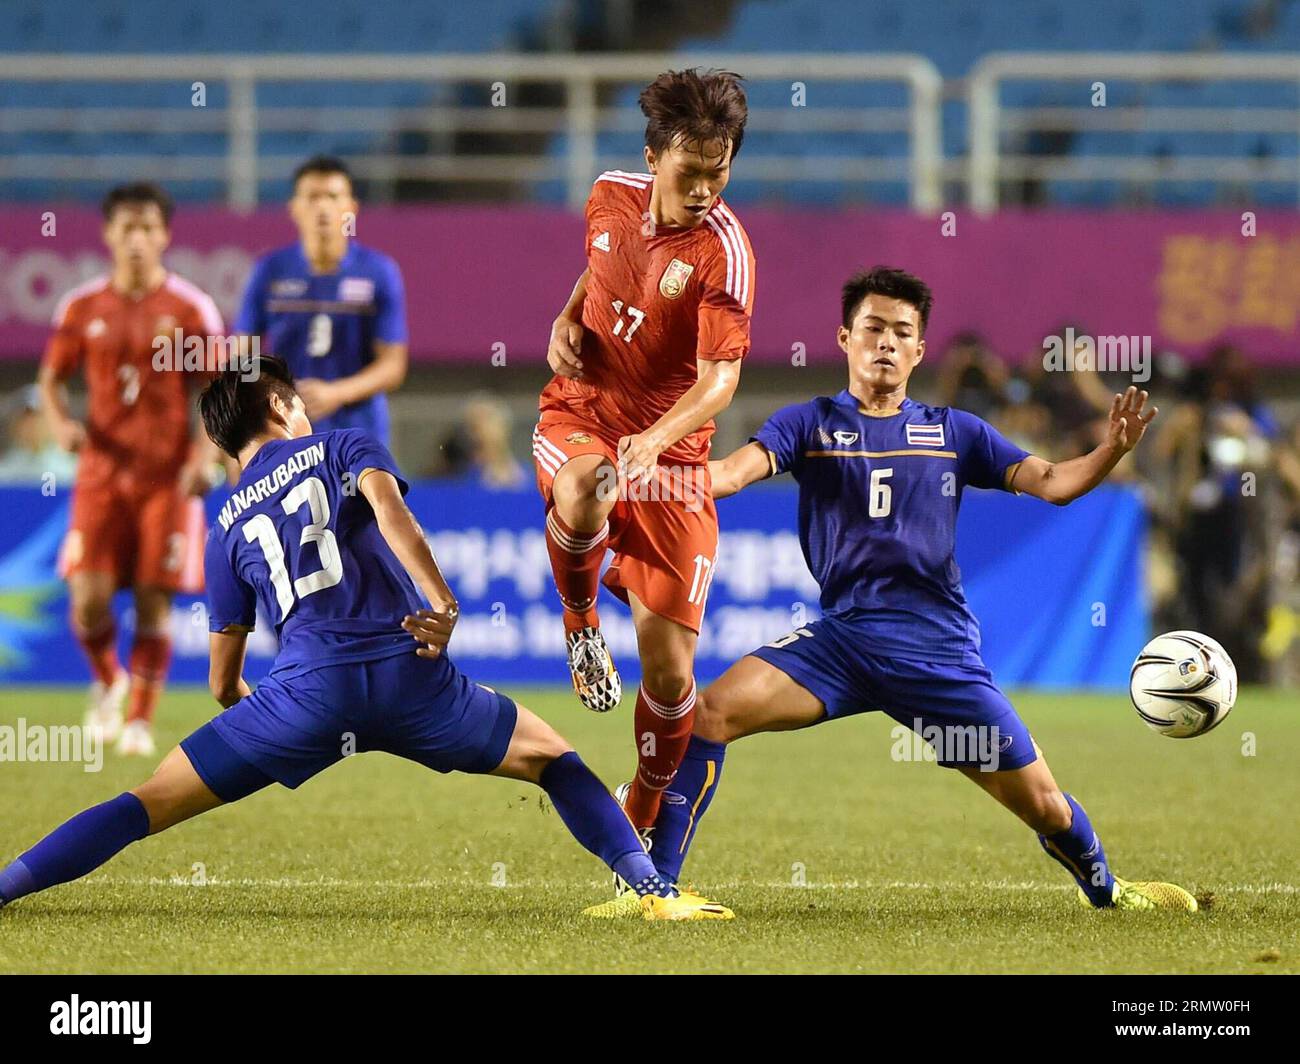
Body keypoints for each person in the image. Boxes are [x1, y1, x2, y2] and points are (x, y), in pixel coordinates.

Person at [0, 357, 731, 923]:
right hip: (412, 670)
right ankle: (652, 889)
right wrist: (442, 600)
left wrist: (274, 719)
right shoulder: (340, 443)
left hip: (302, 696)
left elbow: (224, 680)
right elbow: (389, 512)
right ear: (284, 406)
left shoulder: (225, 523)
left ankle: (8, 885)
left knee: (145, 802)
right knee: (554, 760)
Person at [579, 265, 1198, 917]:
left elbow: (1052, 482)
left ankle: (1109, 892)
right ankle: (656, 890)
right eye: (873, 327)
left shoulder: (955, 432)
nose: (886, 342)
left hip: (938, 656)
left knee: (1042, 803)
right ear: (845, 338)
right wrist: (646, 477)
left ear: (920, 350)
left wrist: (1113, 450)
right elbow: (731, 474)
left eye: (902, 331)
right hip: (841, 645)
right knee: (708, 716)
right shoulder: (809, 424)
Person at [533, 68, 756, 833]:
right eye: (690, 171)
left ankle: (640, 811)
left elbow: (721, 379)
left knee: (671, 676)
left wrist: (656, 442)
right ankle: (580, 622)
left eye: (719, 171)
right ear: (654, 155)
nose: (704, 188)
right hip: (583, 412)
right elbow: (598, 267)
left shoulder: (725, 251)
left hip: (674, 460)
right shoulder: (607, 194)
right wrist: (564, 319)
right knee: (587, 485)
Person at [37, 181, 225, 756]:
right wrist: (61, 424)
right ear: (109, 234)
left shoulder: (191, 309)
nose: (138, 239)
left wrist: (205, 455)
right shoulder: (81, 306)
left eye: (148, 228)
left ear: (164, 235)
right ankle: (108, 681)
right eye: (127, 228)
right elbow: (50, 380)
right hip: (99, 473)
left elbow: (215, 390)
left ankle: (140, 721)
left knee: (153, 599)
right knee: (88, 599)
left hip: (166, 479)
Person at [234, 156, 408, 443]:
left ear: (351, 208)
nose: (323, 207)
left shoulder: (378, 272)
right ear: (294, 208)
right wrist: (245, 426)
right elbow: (241, 356)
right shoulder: (269, 270)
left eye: (333, 196)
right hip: (285, 432)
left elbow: (393, 366)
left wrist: (337, 393)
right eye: (313, 197)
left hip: (359, 433)